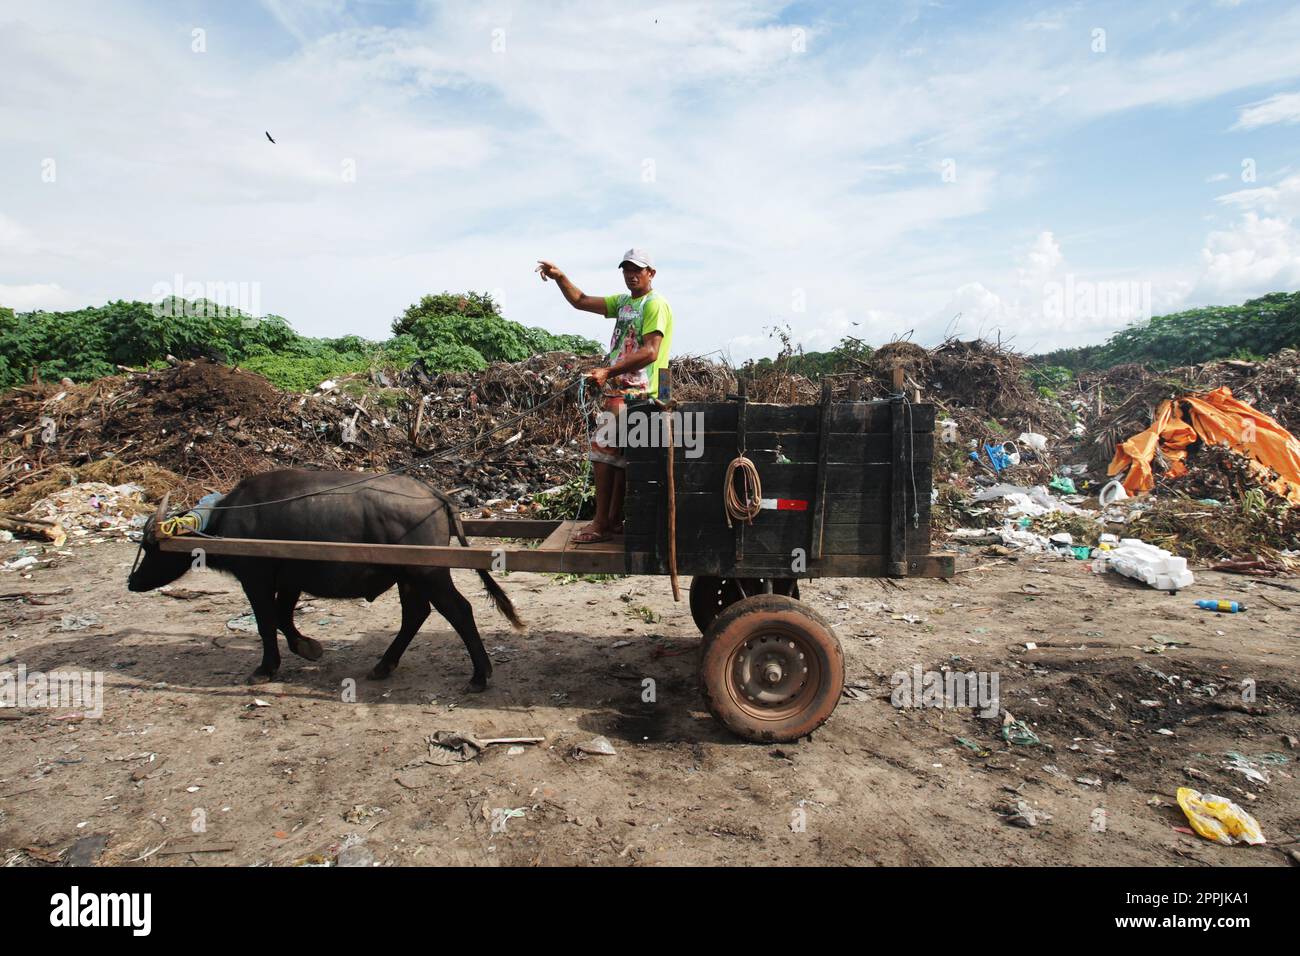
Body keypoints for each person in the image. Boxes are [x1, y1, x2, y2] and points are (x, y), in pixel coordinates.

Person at [535, 249, 673, 543]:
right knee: (620, 459)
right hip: (624, 388)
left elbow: (651, 352)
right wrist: (560, 278)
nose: (631, 275)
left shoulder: (654, 304)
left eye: (637, 269)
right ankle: (612, 520)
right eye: (626, 269)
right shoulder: (624, 302)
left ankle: (600, 523)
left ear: (651, 273)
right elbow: (581, 301)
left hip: (639, 391)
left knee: (602, 452)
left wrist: (607, 372)